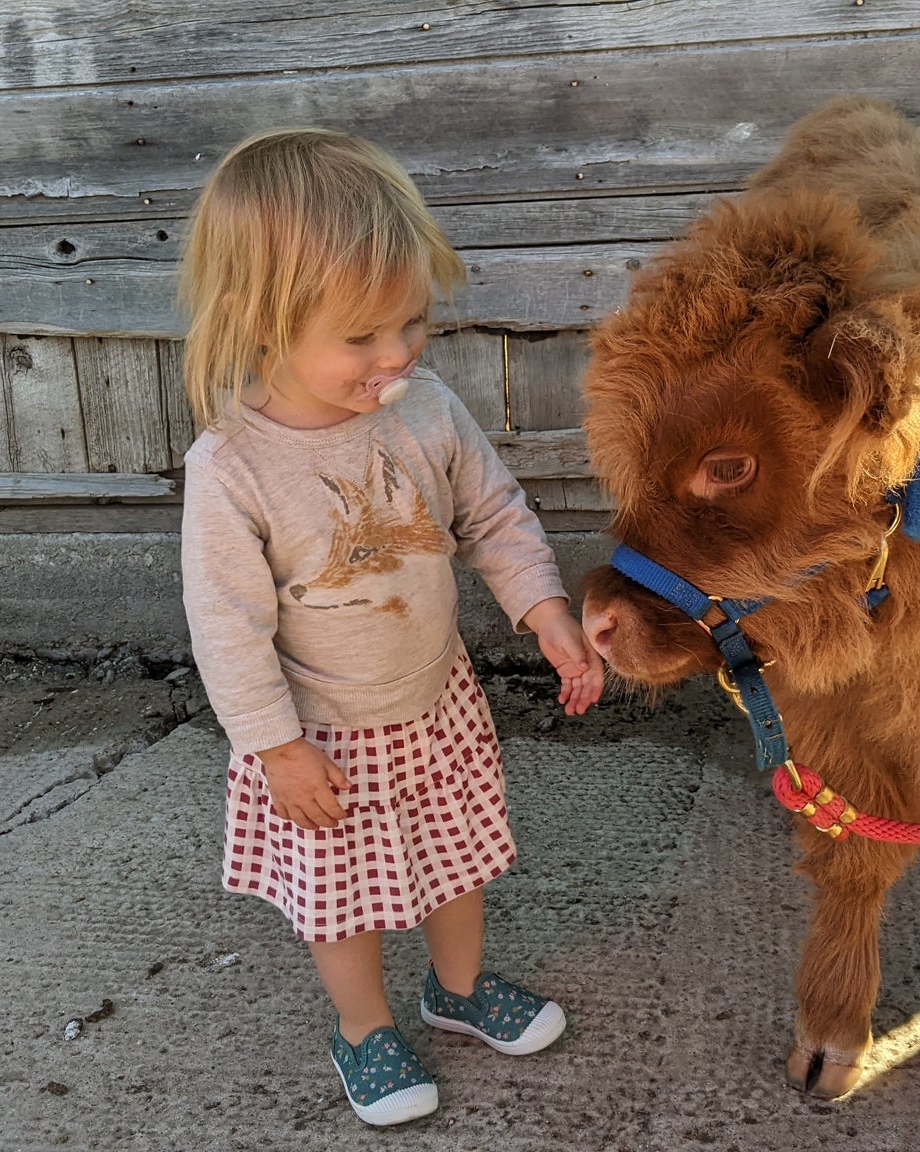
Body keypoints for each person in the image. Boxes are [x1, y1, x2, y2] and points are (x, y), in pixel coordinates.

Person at [176, 126, 603, 1126]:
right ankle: (364, 1029)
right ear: (258, 320)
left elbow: (492, 516)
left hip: (435, 701)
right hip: (318, 733)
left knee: (455, 860)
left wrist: (543, 609)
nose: (395, 355)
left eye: (410, 324)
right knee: (345, 898)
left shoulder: (428, 413)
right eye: (359, 337)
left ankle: (455, 991)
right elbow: (227, 627)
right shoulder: (232, 467)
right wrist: (273, 748)